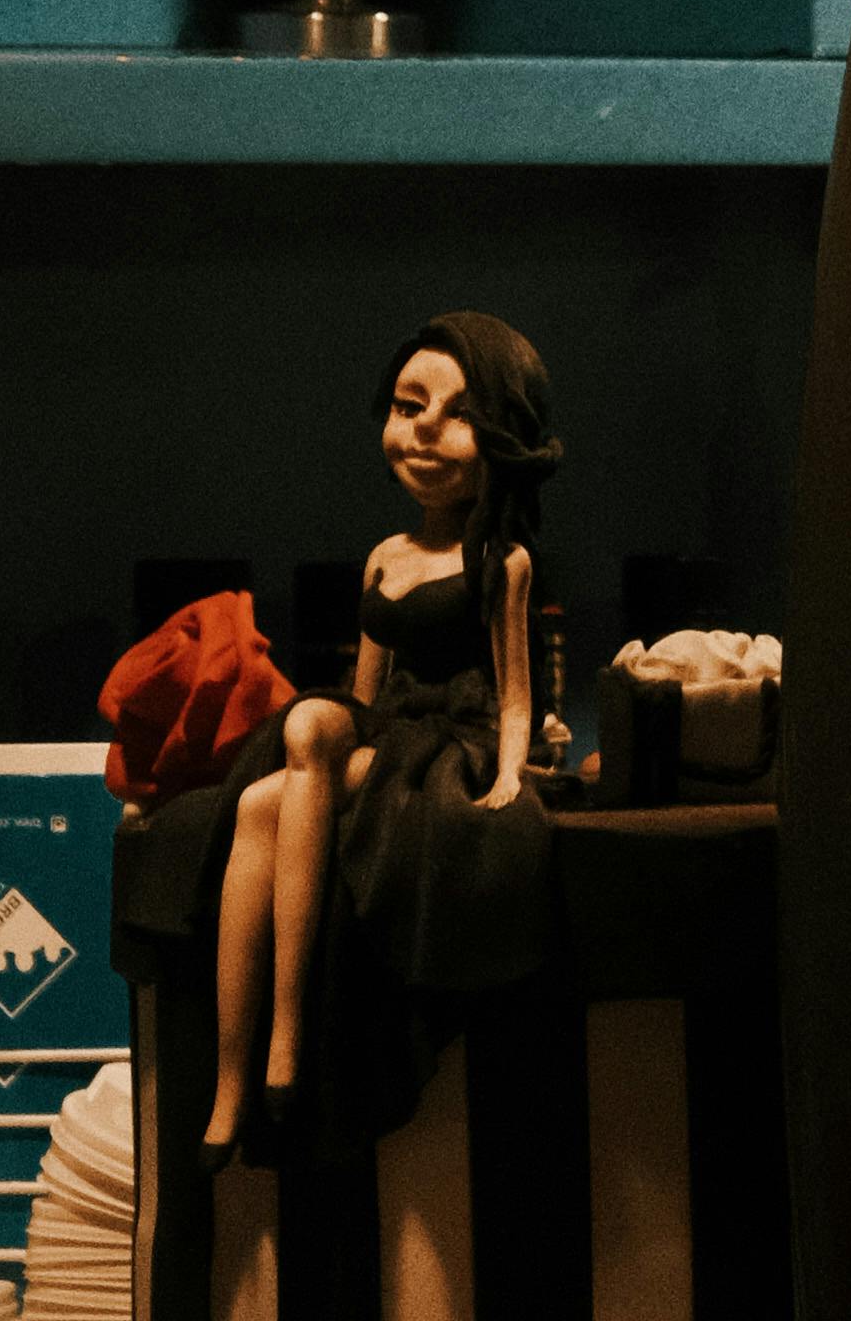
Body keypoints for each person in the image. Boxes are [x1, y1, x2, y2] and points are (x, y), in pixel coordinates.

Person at [198, 308, 563, 1168]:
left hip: (451, 741)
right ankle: (229, 1077)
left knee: (307, 747)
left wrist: (513, 771)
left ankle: (288, 1037)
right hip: (382, 733)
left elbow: (517, 693)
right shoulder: (383, 555)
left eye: (460, 414)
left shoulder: (499, 562)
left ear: (503, 433)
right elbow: (364, 691)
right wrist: (338, 730)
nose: (425, 431)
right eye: (408, 406)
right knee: (262, 797)